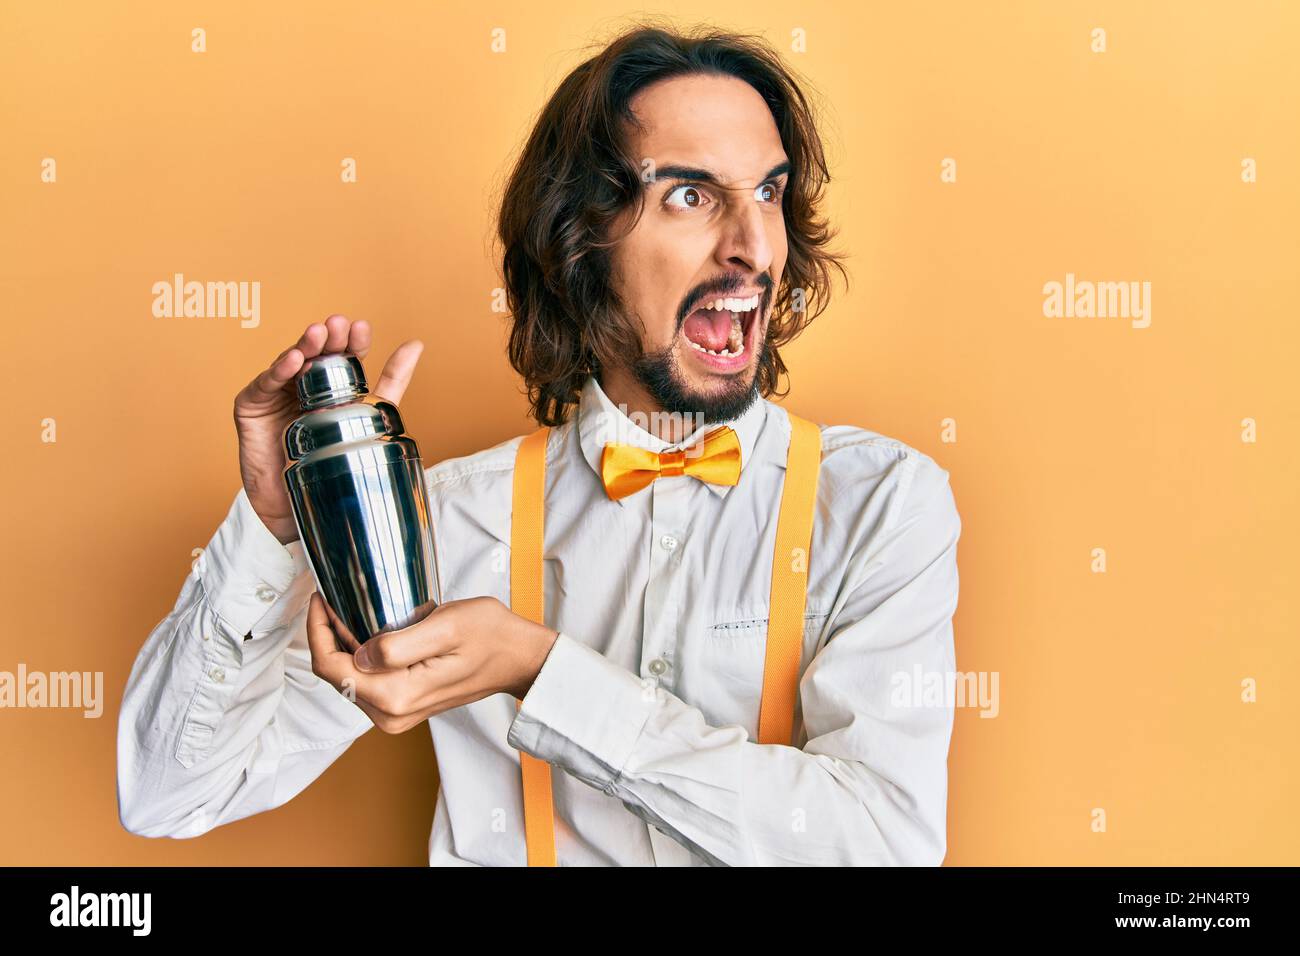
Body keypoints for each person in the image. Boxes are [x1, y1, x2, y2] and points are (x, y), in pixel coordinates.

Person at [117, 22, 961, 866]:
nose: (753, 246)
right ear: (583, 239)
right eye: (691, 196)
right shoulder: (446, 521)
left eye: (769, 194)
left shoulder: (881, 504)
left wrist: (541, 671)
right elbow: (170, 795)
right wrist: (272, 530)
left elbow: (883, 845)